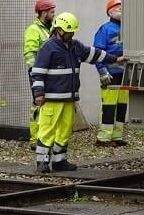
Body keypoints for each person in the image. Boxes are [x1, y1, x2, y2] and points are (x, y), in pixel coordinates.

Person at [31, 12, 126, 174]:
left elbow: (94, 53)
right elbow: (38, 72)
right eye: (69, 32)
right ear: (59, 30)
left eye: (72, 32)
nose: (71, 35)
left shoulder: (75, 46)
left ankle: (60, 161)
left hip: (69, 98)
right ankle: (42, 162)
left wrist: (114, 59)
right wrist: (38, 94)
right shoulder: (48, 48)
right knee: (47, 129)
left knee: (65, 130)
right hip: (52, 99)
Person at [93, 0, 128, 147]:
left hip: (125, 74)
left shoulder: (128, 28)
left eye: (122, 8)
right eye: (118, 8)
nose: (121, 10)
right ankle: (103, 138)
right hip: (111, 74)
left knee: (121, 106)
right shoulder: (105, 29)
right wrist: (102, 71)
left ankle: (117, 136)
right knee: (109, 106)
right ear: (110, 12)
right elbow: (97, 53)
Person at [23, 0, 56, 149]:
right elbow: (30, 53)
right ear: (43, 13)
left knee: (49, 106)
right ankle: (35, 138)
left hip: (51, 74)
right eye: (51, 12)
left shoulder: (51, 29)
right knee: (38, 104)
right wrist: (34, 72)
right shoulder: (33, 30)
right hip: (38, 74)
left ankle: (46, 136)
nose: (54, 14)